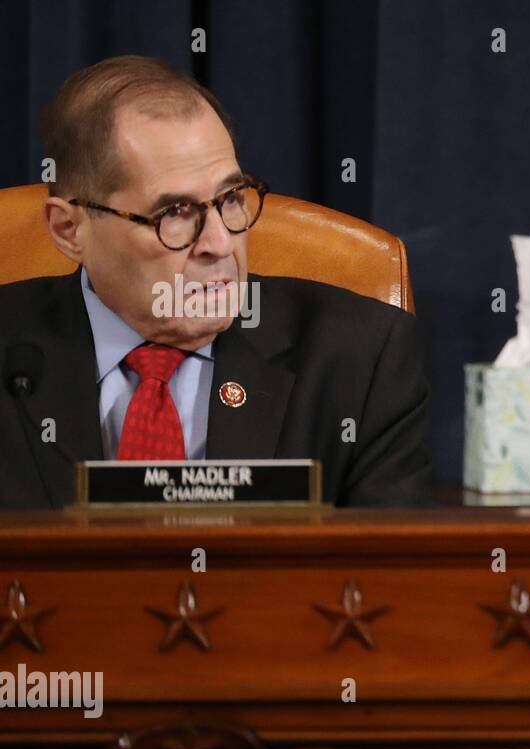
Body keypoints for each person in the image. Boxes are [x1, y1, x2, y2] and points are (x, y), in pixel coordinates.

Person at [0, 55, 434, 509]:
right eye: (174, 213)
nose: (220, 243)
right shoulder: (15, 353)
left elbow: (390, 572)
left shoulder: (358, 359)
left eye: (229, 198)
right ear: (70, 230)